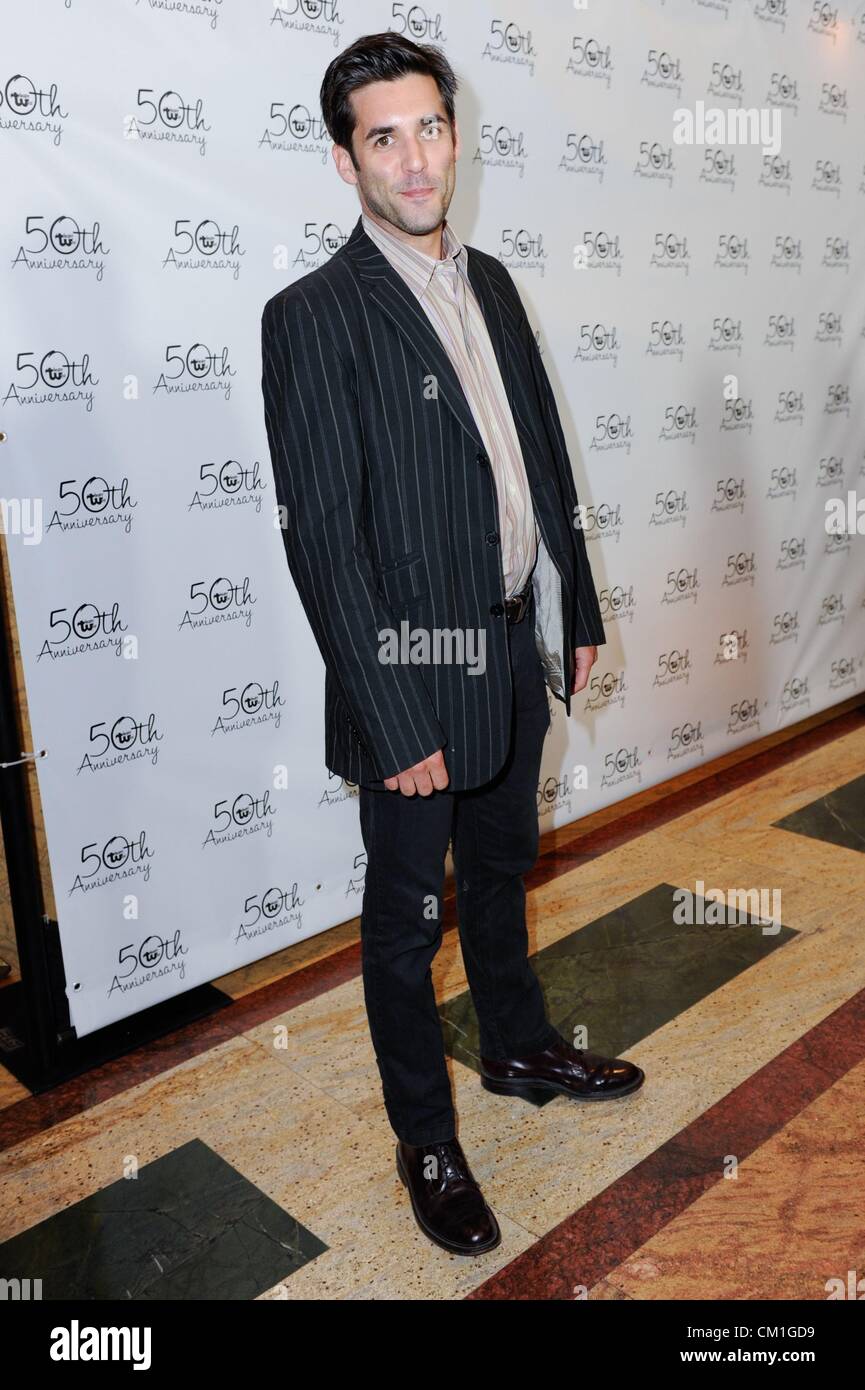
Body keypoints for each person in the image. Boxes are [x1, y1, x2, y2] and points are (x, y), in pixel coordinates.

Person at [260, 31, 644, 1258]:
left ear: (455, 134)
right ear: (345, 159)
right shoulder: (313, 316)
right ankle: (424, 1139)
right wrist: (393, 717)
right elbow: (324, 540)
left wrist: (572, 608)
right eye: (384, 136)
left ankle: (519, 1045)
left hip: (510, 653)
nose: (415, 158)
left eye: (429, 127)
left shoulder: (495, 285)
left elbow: (541, 460)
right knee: (401, 925)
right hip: (411, 688)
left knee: (499, 872)